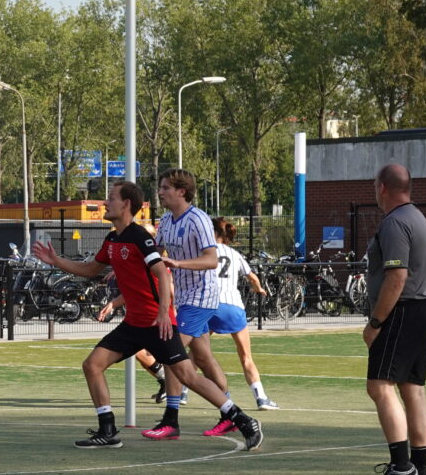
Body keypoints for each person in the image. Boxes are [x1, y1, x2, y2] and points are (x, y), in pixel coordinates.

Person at [31, 180, 263, 451]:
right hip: (134, 324)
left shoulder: (140, 237)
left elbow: (162, 275)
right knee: (92, 365)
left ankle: (244, 420)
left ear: (126, 204)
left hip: (156, 324)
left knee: (188, 376)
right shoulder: (113, 239)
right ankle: (108, 430)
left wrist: (164, 313)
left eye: (111, 198)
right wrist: (57, 262)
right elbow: (92, 269)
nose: (106, 203)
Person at [358, 163, 426, 475]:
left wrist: (375, 322)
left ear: (382, 187)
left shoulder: (394, 223)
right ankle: (421, 468)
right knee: (412, 388)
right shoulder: (419, 218)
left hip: (403, 310)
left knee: (379, 386)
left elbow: (397, 276)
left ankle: (402, 469)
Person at [147, 167, 228, 439]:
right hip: (182, 298)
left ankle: (171, 421)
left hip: (201, 297)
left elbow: (212, 260)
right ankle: (231, 413)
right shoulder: (166, 221)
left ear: (182, 191)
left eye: (166, 188)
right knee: (203, 358)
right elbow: (155, 255)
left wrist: (178, 263)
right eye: (161, 187)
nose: (161, 192)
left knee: (170, 352)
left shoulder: (198, 220)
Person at [204, 217, 277, 433]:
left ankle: (182, 392)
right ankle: (261, 398)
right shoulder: (235, 254)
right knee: (246, 357)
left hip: (210, 306)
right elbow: (252, 277)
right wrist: (259, 289)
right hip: (234, 307)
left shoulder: (205, 250)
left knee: (198, 353)